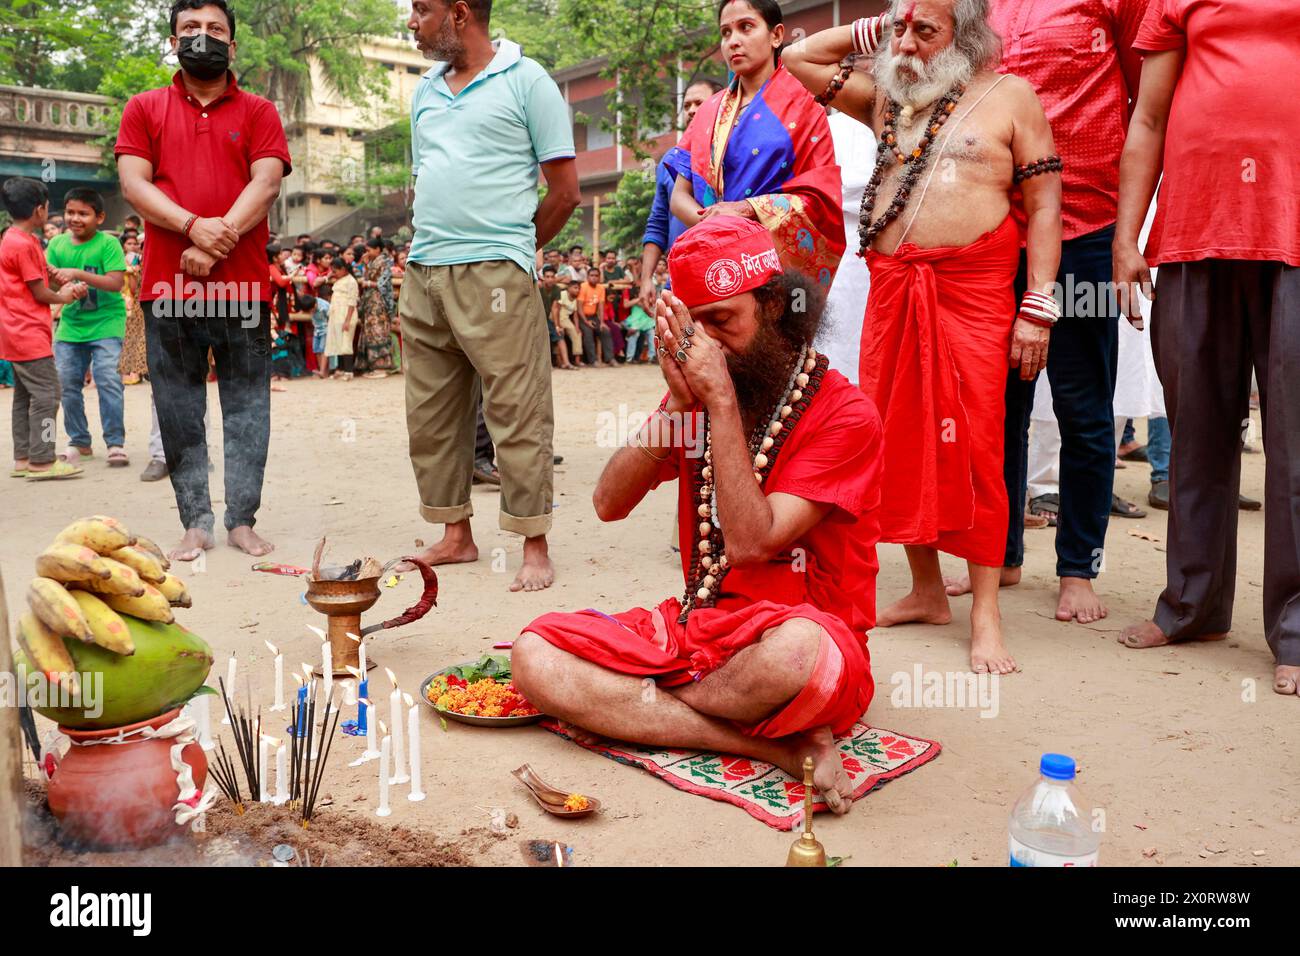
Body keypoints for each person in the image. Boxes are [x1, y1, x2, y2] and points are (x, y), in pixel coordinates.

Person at [511, 216, 881, 812]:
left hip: (798, 639)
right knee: (533, 658)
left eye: (723, 321)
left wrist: (719, 402)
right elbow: (608, 504)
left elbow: (754, 544)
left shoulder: (847, 414)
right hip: (696, 632)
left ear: (774, 308)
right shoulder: (699, 393)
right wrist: (682, 402)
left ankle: (642, 705)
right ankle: (771, 748)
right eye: (691, 325)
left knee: (796, 654)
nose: (704, 344)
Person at [785, 0, 1061, 674]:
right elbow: (798, 59)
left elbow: (1046, 203)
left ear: (965, 38)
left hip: (974, 292)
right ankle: (927, 590)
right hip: (895, 290)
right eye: (900, 29)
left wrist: (1039, 305)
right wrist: (876, 26)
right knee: (898, 436)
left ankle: (987, 612)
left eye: (924, 30)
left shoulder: (1011, 97)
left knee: (976, 444)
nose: (907, 42)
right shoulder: (887, 99)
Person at [1112, 0, 1300, 698]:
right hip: (1196, 231)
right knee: (1195, 428)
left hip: (1292, 236)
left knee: (1294, 442)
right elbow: (1149, 118)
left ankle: (1297, 627)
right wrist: (1127, 237)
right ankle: (1192, 606)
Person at [400, 0, 579, 592]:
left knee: (516, 408)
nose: (412, 23)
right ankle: (456, 534)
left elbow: (565, 191)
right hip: (425, 271)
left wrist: (517, 249)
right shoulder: (425, 90)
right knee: (431, 414)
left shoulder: (528, 81)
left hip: (496, 274)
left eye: (421, 10)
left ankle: (533, 542)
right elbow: (427, 176)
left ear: (458, 13)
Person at [114, 0, 291, 561]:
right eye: (190, 28)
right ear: (173, 41)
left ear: (232, 45)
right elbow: (133, 184)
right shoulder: (144, 108)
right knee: (177, 405)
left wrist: (218, 239)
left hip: (242, 288)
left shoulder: (260, 111)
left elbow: (266, 183)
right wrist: (192, 226)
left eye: (215, 29)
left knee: (247, 406)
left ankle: (242, 520)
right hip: (168, 288)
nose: (203, 37)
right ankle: (196, 521)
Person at [670, 0, 845, 289]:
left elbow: (821, 201)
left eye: (746, 27)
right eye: (725, 33)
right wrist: (717, 228)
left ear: (776, 35)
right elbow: (679, 196)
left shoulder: (804, 105)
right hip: (712, 255)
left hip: (773, 268)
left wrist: (747, 210)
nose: (733, 41)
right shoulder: (708, 111)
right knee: (700, 333)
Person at [1, 177, 87, 480]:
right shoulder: (23, 245)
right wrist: (63, 296)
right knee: (49, 394)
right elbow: (40, 291)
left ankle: (24, 457)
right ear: (39, 210)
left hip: (14, 331)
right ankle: (43, 458)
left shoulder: (16, 239)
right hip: (28, 330)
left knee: (25, 396)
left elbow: (44, 274)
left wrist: (65, 284)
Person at [47, 187, 130, 469]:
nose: (75, 218)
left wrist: (79, 274)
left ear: (100, 217)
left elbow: (116, 283)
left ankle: (115, 442)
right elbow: (48, 283)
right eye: (71, 212)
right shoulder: (56, 246)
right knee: (67, 383)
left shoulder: (108, 244)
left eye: (84, 213)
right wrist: (65, 286)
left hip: (107, 322)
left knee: (108, 379)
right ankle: (79, 441)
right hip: (71, 325)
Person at [640, 78, 722, 310]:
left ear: (720, 103)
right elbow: (657, 223)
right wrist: (646, 279)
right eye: (687, 106)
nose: (692, 110)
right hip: (678, 280)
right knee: (674, 343)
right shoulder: (670, 159)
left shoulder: (732, 149)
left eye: (699, 103)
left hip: (723, 273)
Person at [357, 235, 395, 377]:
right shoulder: (373, 261)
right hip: (370, 301)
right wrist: (366, 265)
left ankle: (382, 367)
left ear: (377, 249)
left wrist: (368, 283)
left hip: (379, 302)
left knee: (379, 332)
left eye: (369, 250)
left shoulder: (385, 262)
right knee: (371, 331)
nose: (367, 253)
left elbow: (383, 283)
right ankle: (374, 366)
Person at [118, 233, 149, 385]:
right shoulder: (133, 264)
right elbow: (134, 287)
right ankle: (133, 373)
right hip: (136, 304)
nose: (137, 247)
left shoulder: (137, 264)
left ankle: (138, 372)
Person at [324, 259, 359, 380]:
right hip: (337, 315)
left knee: (346, 343)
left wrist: (348, 320)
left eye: (335, 270)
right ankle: (340, 369)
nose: (334, 273)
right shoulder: (339, 280)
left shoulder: (351, 282)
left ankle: (349, 371)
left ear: (343, 269)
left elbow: (352, 302)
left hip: (346, 315)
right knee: (338, 341)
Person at [577, 267, 614, 366]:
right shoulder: (583, 287)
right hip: (582, 317)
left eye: (596, 276)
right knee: (588, 333)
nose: (594, 278)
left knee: (605, 331)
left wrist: (602, 322)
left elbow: (601, 307)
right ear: (587, 276)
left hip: (593, 317)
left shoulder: (601, 288)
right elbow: (579, 308)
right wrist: (586, 322)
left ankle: (609, 358)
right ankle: (593, 360)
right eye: (592, 275)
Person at [537, 264, 572, 369]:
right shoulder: (538, 287)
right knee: (544, 336)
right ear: (543, 277)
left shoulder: (557, 289)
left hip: (548, 319)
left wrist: (557, 325)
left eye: (552, 277)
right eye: (547, 277)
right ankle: (547, 364)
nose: (550, 279)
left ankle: (566, 363)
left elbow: (555, 308)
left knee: (559, 334)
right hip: (538, 319)